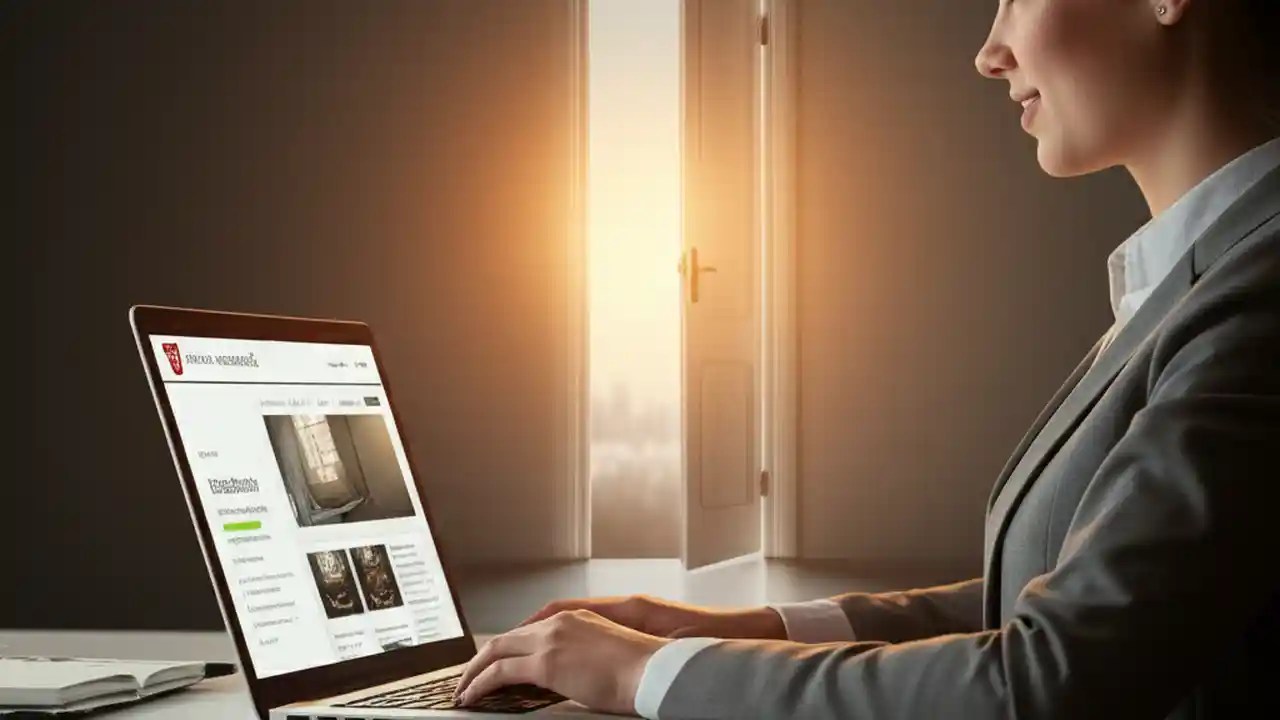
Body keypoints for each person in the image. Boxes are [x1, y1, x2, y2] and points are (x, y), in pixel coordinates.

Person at [454, 0, 1280, 717]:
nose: (990, 52)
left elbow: (1048, 682)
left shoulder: (1256, 295)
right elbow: (1080, 602)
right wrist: (736, 631)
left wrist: (644, 671)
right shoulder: (1205, 276)